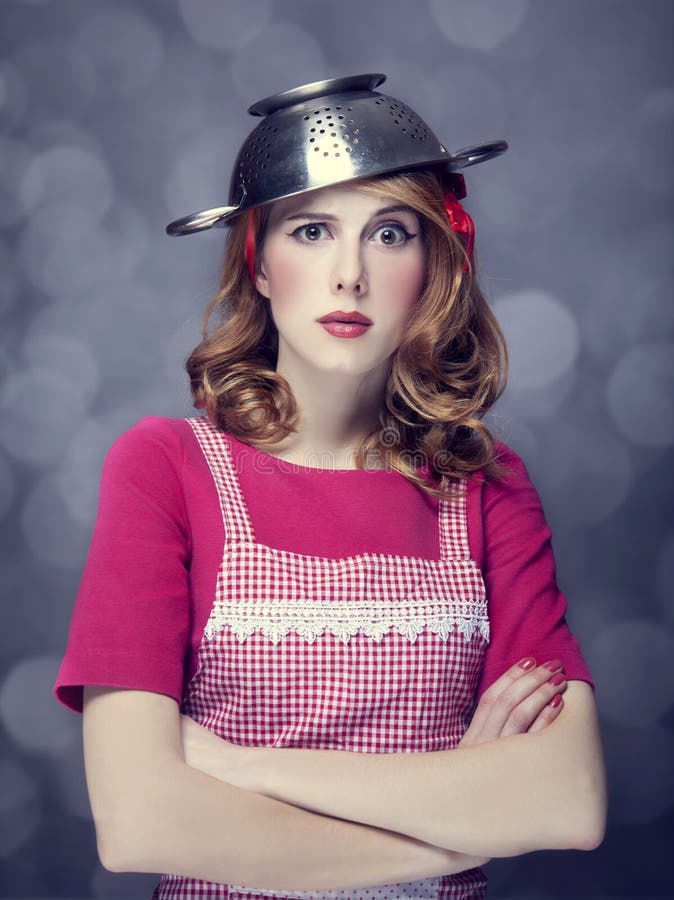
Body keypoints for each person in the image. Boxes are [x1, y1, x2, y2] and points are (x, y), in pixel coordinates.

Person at [53, 74, 607, 898]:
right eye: (312, 231)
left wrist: (242, 767)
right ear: (260, 263)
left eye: (390, 234)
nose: (349, 274)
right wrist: (460, 826)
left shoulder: (486, 485)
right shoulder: (163, 467)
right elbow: (142, 824)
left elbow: (567, 802)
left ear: (433, 264)